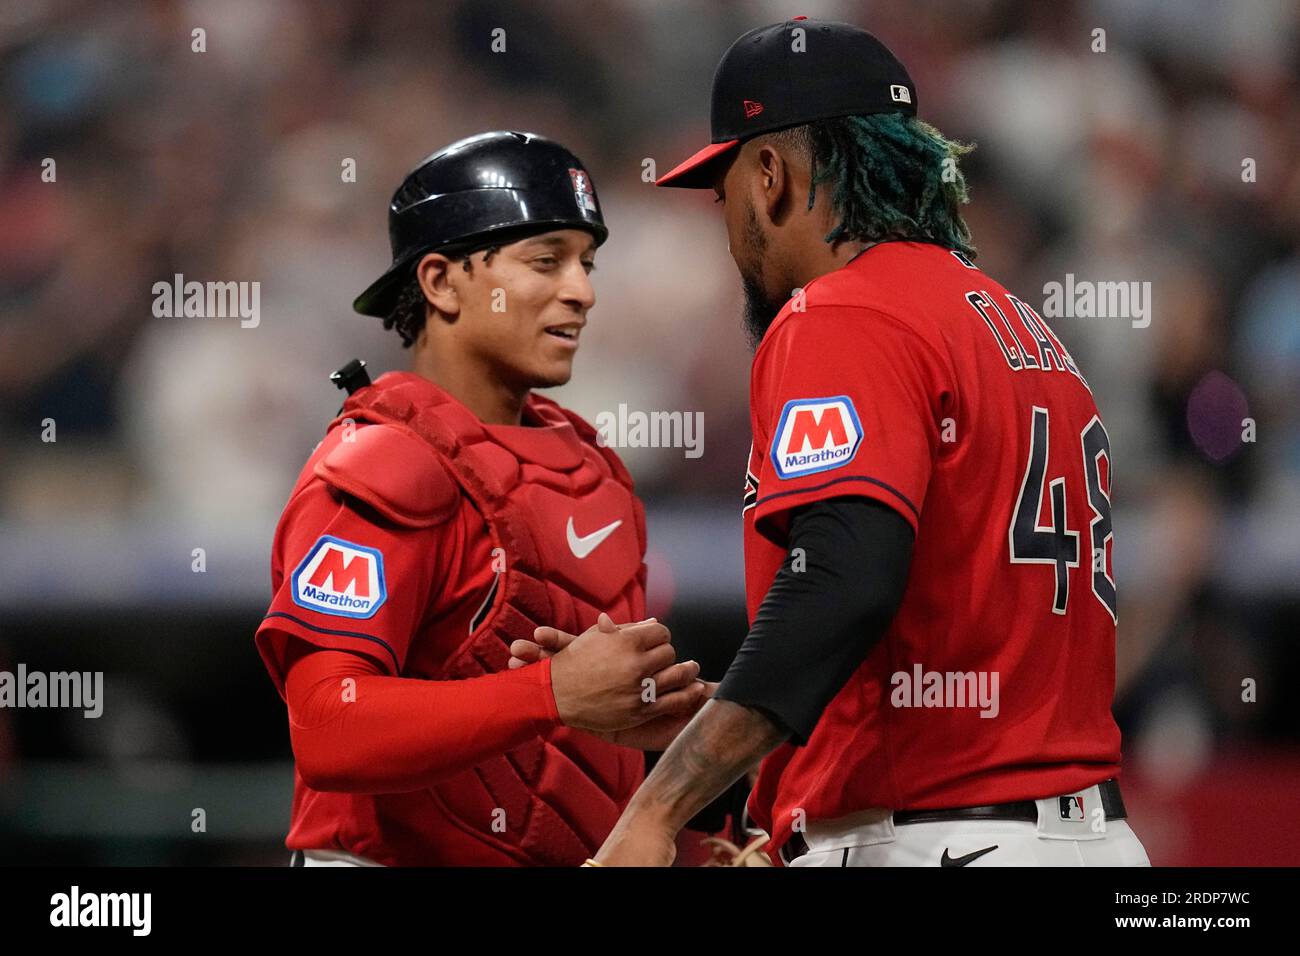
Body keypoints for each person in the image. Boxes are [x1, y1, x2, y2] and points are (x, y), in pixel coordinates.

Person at [516, 19, 1150, 867]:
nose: (729, 220)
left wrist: (657, 808)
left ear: (770, 175)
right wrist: (721, 731)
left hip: (933, 840)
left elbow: (844, 581)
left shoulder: (841, 312)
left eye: (726, 187)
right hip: (1089, 837)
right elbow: (925, 631)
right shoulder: (1023, 327)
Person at [254, 130, 707, 867]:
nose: (581, 291)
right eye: (545, 260)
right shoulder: (384, 462)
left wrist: (694, 813)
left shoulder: (593, 472)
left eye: (586, 263)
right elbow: (327, 728)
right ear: (439, 281)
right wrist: (549, 692)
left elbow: (573, 775)